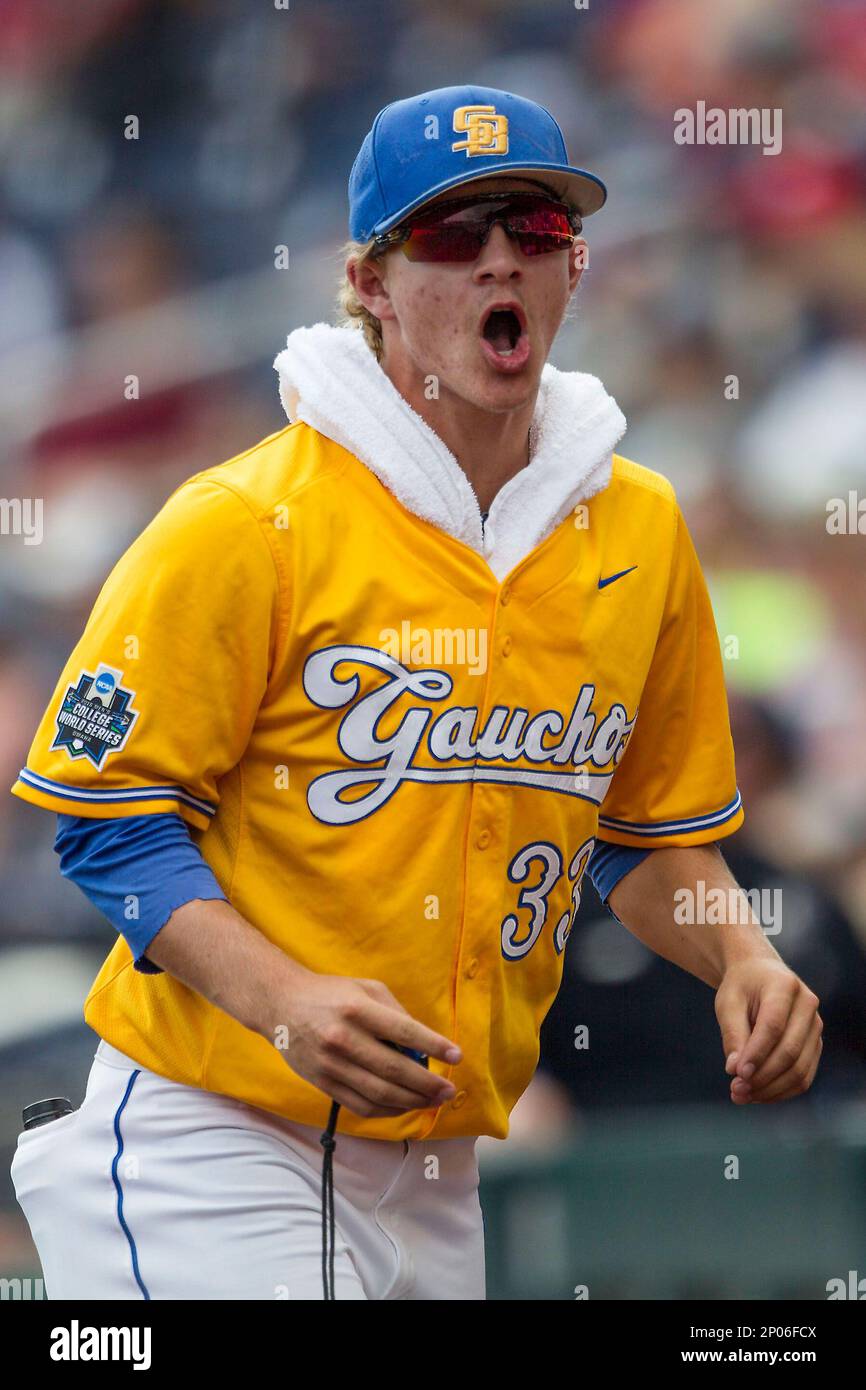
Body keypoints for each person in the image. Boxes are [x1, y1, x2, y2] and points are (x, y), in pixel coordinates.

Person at [9, 85, 822, 1301]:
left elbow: (644, 842)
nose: (499, 255)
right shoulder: (244, 520)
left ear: (572, 266)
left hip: (443, 1171)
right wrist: (284, 998)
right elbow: (103, 820)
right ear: (371, 283)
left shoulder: (639, 528)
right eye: (450, 234)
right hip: (212, 1136)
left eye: (531, 228)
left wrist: (741, 958)